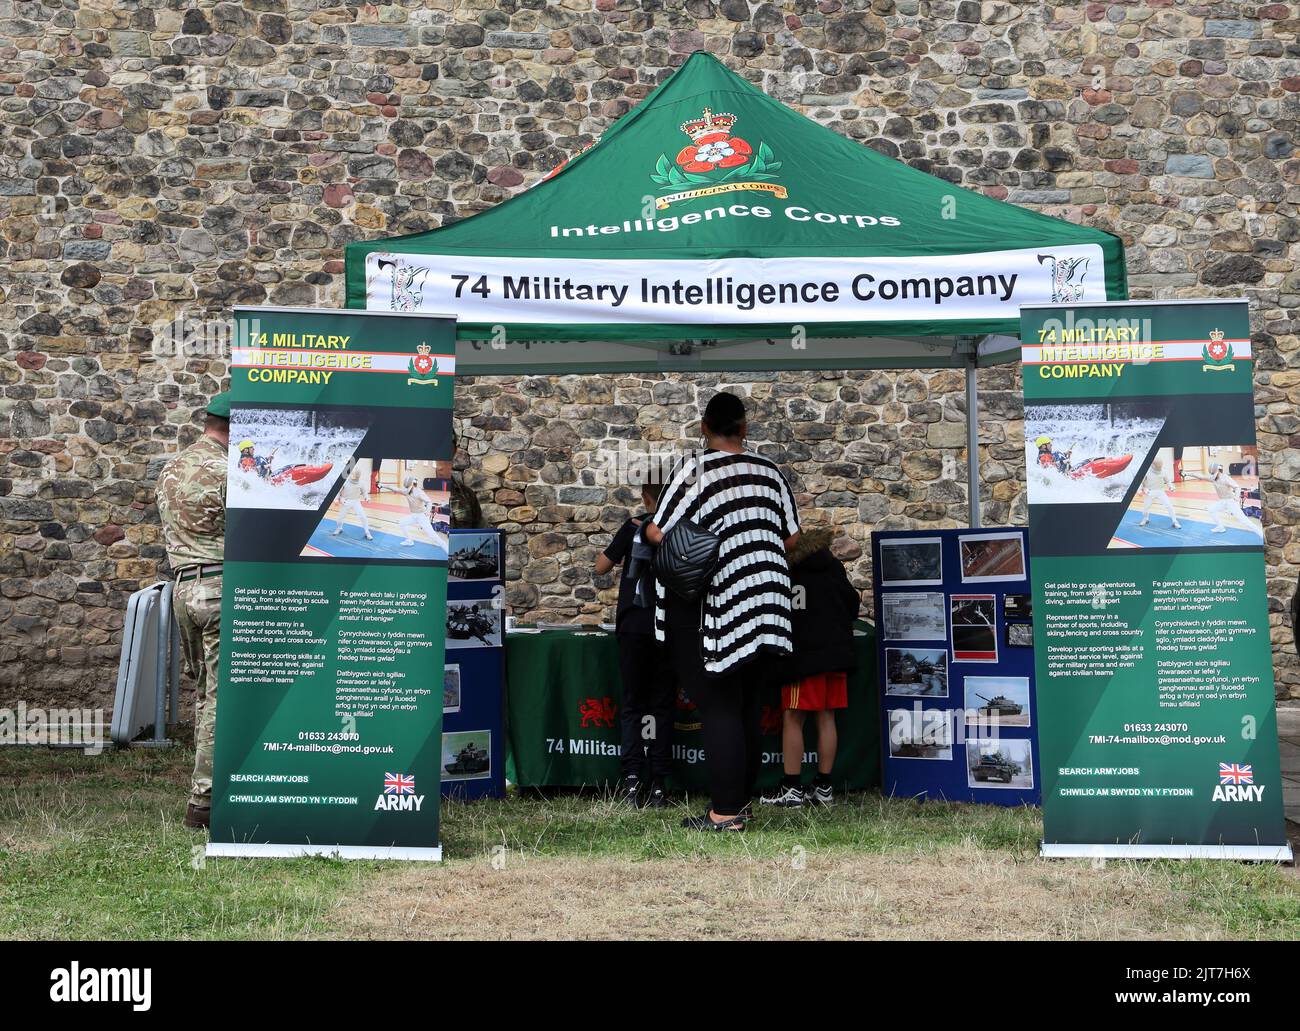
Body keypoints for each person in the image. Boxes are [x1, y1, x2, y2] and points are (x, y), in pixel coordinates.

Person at [643, 392, 801, 832]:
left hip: (721, 601)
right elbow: (791, 540)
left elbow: (659, 531)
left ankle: (726, 812)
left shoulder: (695, 470)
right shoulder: (770, 472)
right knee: (749, 705)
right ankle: (741, 804)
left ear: (703, 428)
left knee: (718, 705)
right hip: (770, 601)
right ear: (744, 428)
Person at [157, 391, 230, 830]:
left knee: (204, 693)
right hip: (221, 587)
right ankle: (203, 802)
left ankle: (205, 789)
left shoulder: (171, 468)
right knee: (223, 696)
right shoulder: (228, 472)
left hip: (183, 587)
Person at [761, 527, 859, 808]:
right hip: (836, 654)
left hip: (803, 656)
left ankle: (792, 787)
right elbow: (852, 605)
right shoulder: (833, 566)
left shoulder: (786, 569)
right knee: (826, 718)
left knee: (793, 717)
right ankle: (824, 787)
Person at [595, 480, 674, 809]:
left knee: (632, 704)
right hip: (667, 628)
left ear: (645, 497)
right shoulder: (678, 529)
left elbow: (600, 567)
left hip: (632, 625)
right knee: (661, 706)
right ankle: (658, 783)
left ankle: (630, 781)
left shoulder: (633, 526)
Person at [1185, 462, 1264, 539]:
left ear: (1218, 471)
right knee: (1211, 509)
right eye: (1211, 474)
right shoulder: (1213, 478)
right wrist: (1187, 474)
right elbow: (1200, 476)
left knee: (1244, 521)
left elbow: (1237, 487)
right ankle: (1220, 527)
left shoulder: (1225, 478)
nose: (1212, 476)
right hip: (1223, 501)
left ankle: (1261, 534)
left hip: (1231, 502)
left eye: (1213, 473)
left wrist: (1236, 497)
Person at [1137, 454, 1182, 530]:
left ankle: (1175, 521)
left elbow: (1167, 481)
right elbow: (1140, 482)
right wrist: (1139, 490)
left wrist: (1171, 486)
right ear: (1152, 465)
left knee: (1169, 506)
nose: (1159, 468)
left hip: (1160, 491)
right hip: (1149, 492)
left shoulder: (1163, 471)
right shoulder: (1146, 471)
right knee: (1145, 508)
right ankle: (1145, 519)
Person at [332, 467, 374, 540]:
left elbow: (364, 492)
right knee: (340, 518)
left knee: (363, 517)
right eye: (355, 474)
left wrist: (367, 498)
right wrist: (336, 499)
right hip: (346, 501)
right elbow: (338, 491)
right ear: (351, 474)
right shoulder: (345, 482)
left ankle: (367, 532)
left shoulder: (361, 483)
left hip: (356, 502)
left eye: (358, 475)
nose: (356, 476)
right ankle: (339, 528)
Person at [397, 476, 440, 547]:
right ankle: (409, 540)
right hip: (415, 515)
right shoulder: (409, 491)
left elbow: (429, 502)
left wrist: (427, 511)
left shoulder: (419, 492)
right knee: (402, 522)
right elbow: (397, 489)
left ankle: (439, 543)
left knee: (430, 533)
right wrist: (384, 486)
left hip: (422, 515)